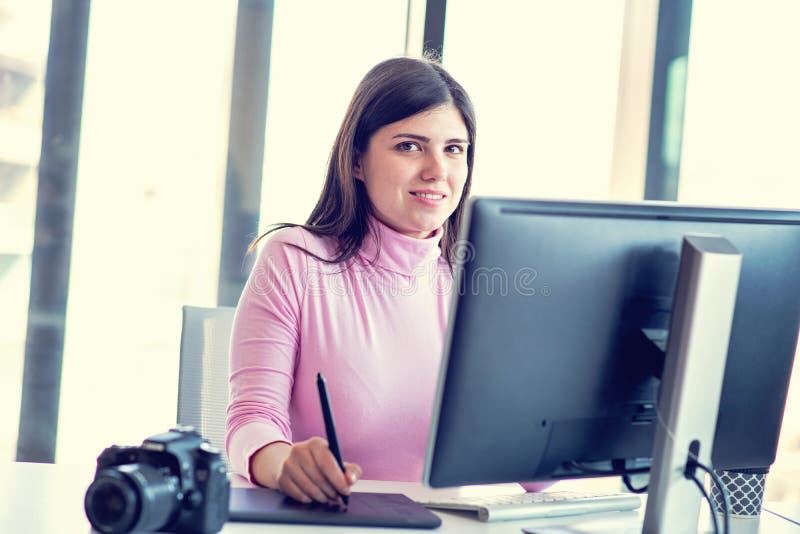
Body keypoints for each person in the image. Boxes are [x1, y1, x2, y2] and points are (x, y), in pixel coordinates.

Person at [227, 56, 546, 505]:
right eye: (410, 146)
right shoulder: (294, 261)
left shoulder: (482, 283)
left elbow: (532, 468)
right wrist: (281, 462)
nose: (438, 169)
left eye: (454, 149)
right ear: (357, 160)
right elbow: (251, 418)